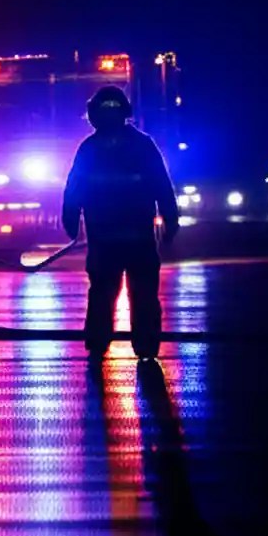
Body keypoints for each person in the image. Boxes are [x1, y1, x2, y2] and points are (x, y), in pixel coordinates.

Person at [62, 85, 178, 360]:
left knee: (105, 293)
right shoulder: (142, 144)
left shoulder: (89, 148)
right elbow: (162, 185)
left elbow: (74, 189)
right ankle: (145, 347)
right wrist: (170, 221)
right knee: (141, 294)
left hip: (106, 240)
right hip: (136, 239)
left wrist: (70, 219)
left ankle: (99, 343)